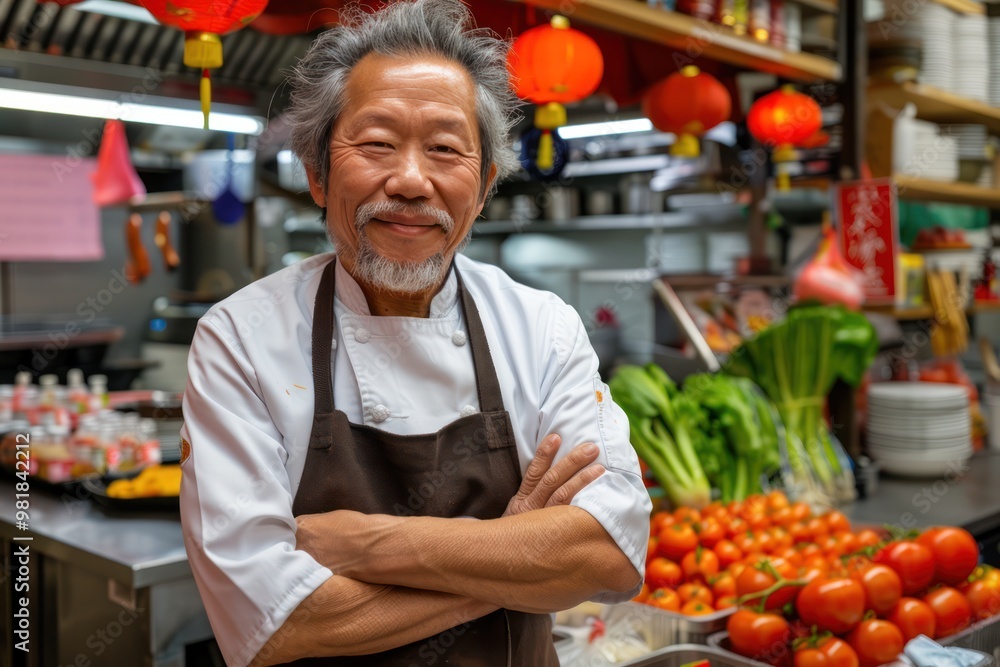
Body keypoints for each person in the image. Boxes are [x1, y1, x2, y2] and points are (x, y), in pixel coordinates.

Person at [178, 0, 651, 664]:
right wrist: (514, 552)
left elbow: (608, 553)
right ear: (317, 173)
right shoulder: (241, 339)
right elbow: (274, 624)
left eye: (445, 149)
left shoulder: (540, 328)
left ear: (484, 186)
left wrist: (371, 544)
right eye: (375, 144)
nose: (409, 179)